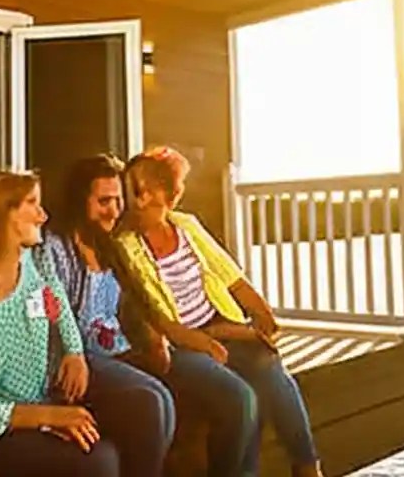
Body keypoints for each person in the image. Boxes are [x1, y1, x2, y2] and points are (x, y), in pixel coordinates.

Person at [115, 146, 323, 477]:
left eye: (142, 191)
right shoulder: (125, 244)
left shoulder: (187, 226)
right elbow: (156, 318)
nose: (134, 201)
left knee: (268, 368)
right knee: (241, 397)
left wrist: (261, 314)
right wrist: (209, 339)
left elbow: (231, 277)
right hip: (178, 344)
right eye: (130, 193)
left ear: (166, 196)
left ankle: (307, 465)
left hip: (215, 326)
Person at [0, 171, 118, 476]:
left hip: (33, 407)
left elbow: (56, 300)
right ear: (5, 214)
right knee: (98, 463)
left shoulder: (33, 263)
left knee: (119, 430)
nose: (43, 215)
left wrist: (74, 351)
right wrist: (46, 418)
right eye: (33, 203)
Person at [38, 154, 175, 477]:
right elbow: (52, 312)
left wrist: (153, 335)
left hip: (117, 350)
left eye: (117, 200)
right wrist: (71, 354)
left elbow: (133, 303)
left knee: (163, 399)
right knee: (150, 402)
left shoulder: (107, 245)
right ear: (79, 201)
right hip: (76, 359)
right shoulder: (54, 249)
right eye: (103, 201)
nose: (113, 210)